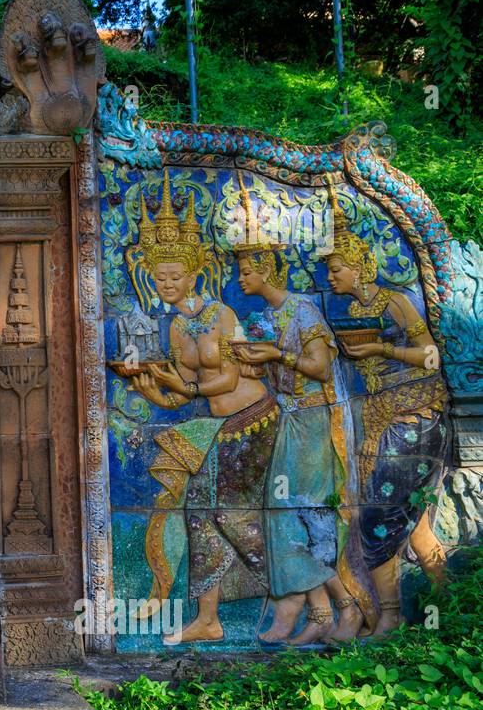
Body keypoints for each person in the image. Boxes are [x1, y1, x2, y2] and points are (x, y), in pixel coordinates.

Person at [126, 171, 278, 644]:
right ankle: (208, 619)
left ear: (193, 274)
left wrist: (185, 390)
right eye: (158, 277)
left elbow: (228, 378)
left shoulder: (220, 314)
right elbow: (183, 389)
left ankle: (304, 585)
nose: (165, 284)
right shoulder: (175, 327)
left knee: (230, 511)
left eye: (174, 276)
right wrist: (148, 387)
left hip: (252, 419)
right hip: (218, 423)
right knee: (199, 510)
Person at [229, 175, 370, 645]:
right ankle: (318, 608)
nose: (240, 278)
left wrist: (275, 356)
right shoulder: (272, 316)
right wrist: (255, 360)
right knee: (282, 512)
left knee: (307, 512)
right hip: (291, 417)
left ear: (266, 271)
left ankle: (341, 608)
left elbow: (322, 369)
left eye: (246, 270)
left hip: (314, 419)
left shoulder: (305, 310)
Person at [323, 185, 450, 637]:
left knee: (379, 517)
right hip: (383, 418)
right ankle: (450, 611)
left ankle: (392, 617)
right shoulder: (354, 309)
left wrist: (382, 349)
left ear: (359, 266)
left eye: (336, 268)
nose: (331, 277)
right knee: (410, 522)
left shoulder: (392, 300)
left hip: (415, 418)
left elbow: (432, 355)